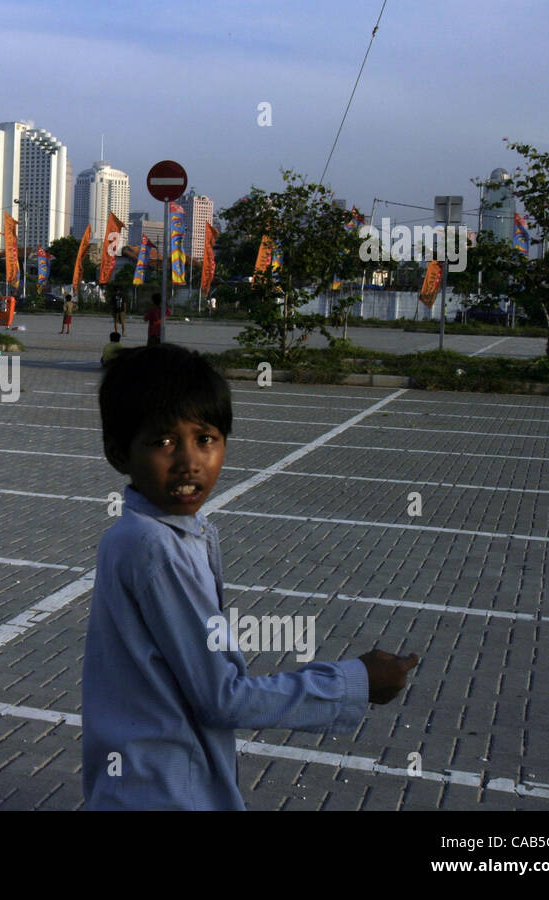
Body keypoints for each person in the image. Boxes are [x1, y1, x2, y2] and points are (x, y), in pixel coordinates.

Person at [83, 345, 418, 810]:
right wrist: (354, 681)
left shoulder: (157, 534)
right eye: (162, 441)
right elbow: (221, 698)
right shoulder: (156, 548)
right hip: (165, 794)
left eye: (206, 438)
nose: (189, 461)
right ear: (119, 453)